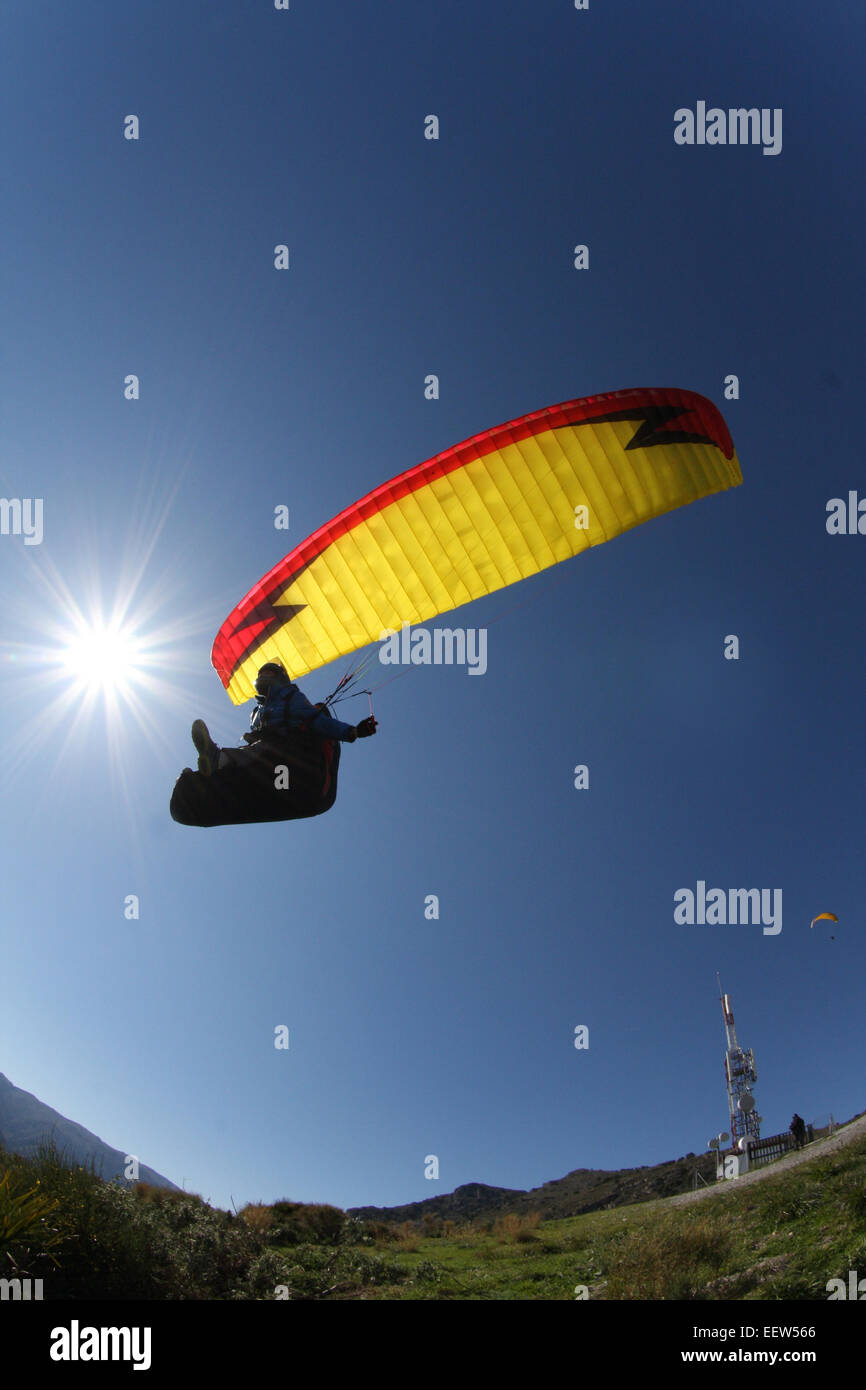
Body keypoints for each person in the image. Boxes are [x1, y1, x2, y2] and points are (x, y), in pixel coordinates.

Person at [170, 661, 376, 827]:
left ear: (280, 678)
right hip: (276, 771)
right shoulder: (257, 711)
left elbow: (317, 721)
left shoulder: (292, 699)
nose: (265, 677)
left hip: (295, 762)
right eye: (262, 674)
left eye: (270, 674)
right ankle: (218, 766)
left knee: (264, 750)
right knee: (251, 754)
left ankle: (219, 759)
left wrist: (352, 732)